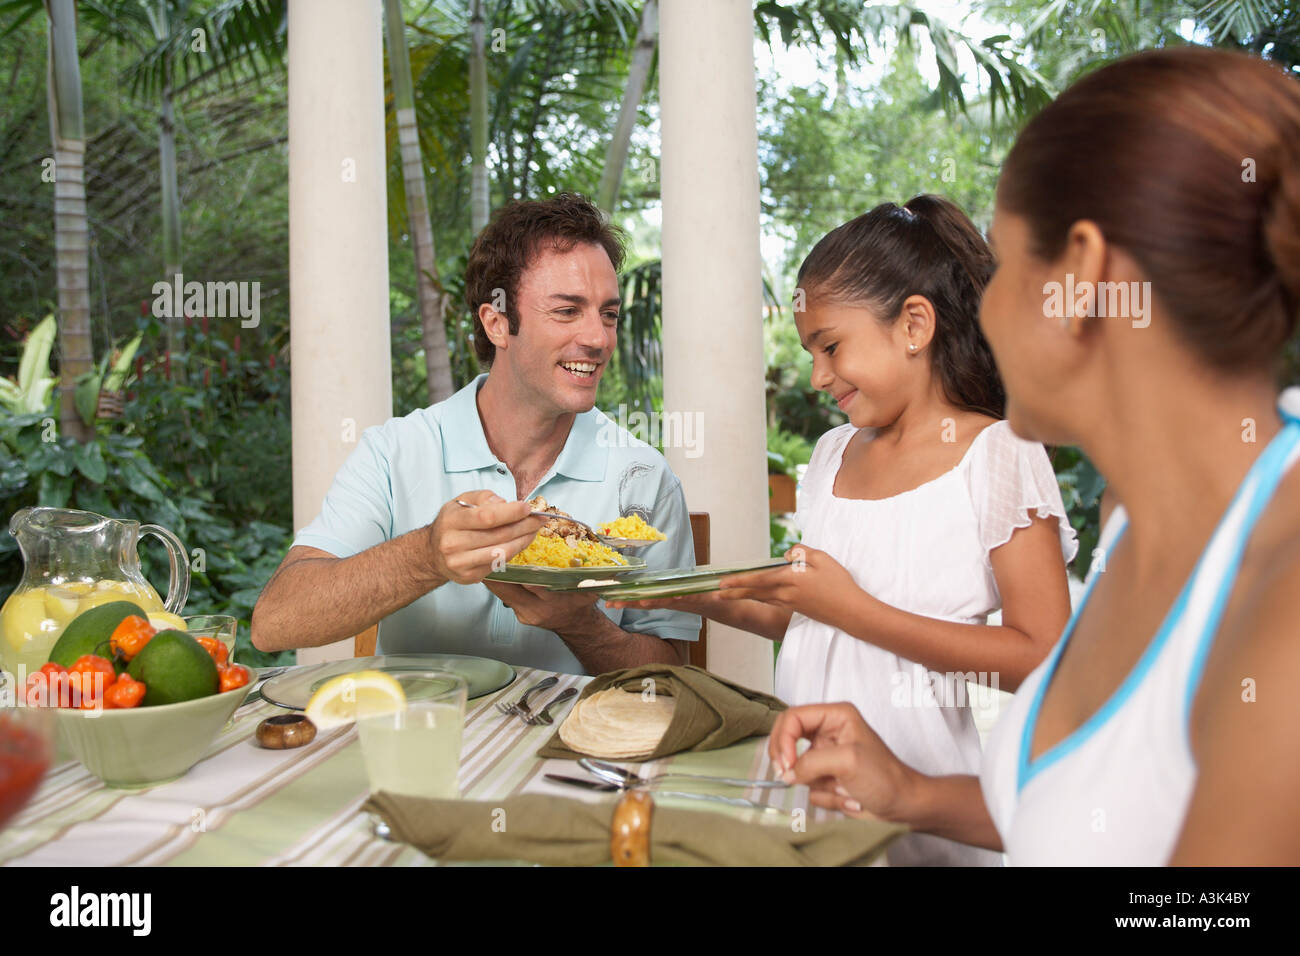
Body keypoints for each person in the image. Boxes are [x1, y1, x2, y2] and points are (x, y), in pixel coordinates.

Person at [768, 47, 1300, 865]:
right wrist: (908, 792)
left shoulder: (1282, 581)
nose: (985, 312)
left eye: (1007, 266)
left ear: (1081, 276)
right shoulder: (1136, 525)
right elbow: (1092, 814)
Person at [612, 195, 1076, 865]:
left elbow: (1042, 659)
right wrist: (683, 592)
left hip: (930, 828)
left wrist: (854, 610)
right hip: (813, 805)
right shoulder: (834, 454)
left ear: (914, 324)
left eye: (830, 346)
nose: (817, 375)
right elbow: (813, 621)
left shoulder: (1001, 454)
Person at [251, 193, 700, 674]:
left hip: (573, 745)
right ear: (498, 323)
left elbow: (673, 679)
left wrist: (580, 623)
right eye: (568, 311)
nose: (598, 339)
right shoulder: (394, 452)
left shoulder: (644, 477)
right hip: (422, 739)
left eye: (608, 314)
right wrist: (427, 556)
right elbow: (276, 623)